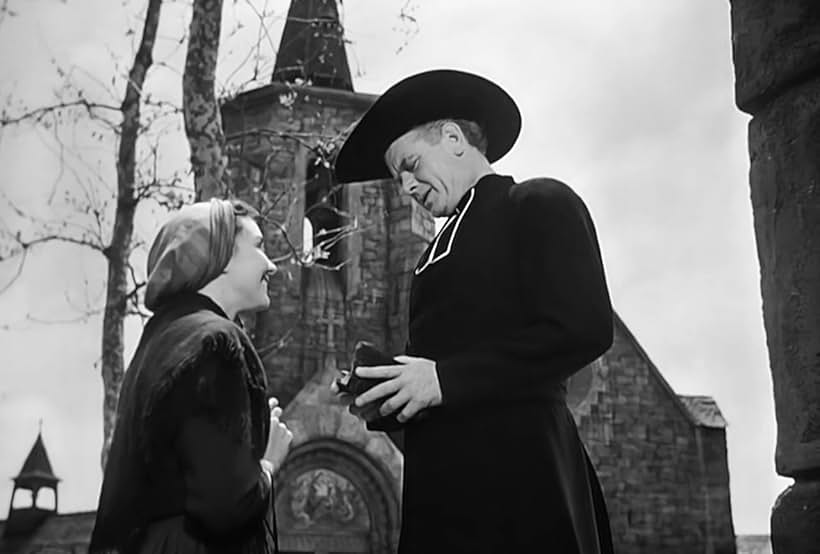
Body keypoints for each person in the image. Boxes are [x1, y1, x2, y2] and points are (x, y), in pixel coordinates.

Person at [332, 70, 615, 554]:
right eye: (397, 175)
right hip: (442, 497)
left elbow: (583, 329)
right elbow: (441, 375)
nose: (405, 185)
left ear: (453, 138)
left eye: (411, 163)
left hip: (523, 480)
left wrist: (445, 379)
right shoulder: (428, 257)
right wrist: (383, 390)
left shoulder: (537, 202)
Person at [90, 198, 293, 554]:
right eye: (258, 248)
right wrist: (268, 464)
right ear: (222, 258)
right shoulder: (217, 342)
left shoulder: (161, 340)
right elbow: (225, 508)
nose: (271, 266)